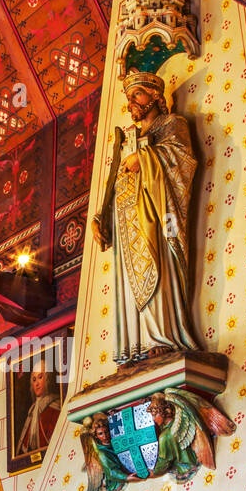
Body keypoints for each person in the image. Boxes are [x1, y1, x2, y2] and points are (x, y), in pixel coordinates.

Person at [91, 71, 201, 366]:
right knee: (129, 279)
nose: (131, 103)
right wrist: (100, 218)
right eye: (128, 97)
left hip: (159, 217)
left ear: (155, 96)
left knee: (159, 268)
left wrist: (146, 159)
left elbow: (184, 162)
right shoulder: (126, 139)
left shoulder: (172, 124)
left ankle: (161, 338)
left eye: (137, 94)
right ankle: (136, 343)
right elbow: (112, 183)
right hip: (127, 222)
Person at [17, 361, 61, 453]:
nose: (36, 383)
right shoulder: (32, 411)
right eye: (34, 380)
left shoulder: (56, 406)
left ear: (47, 378)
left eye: (40, 377)